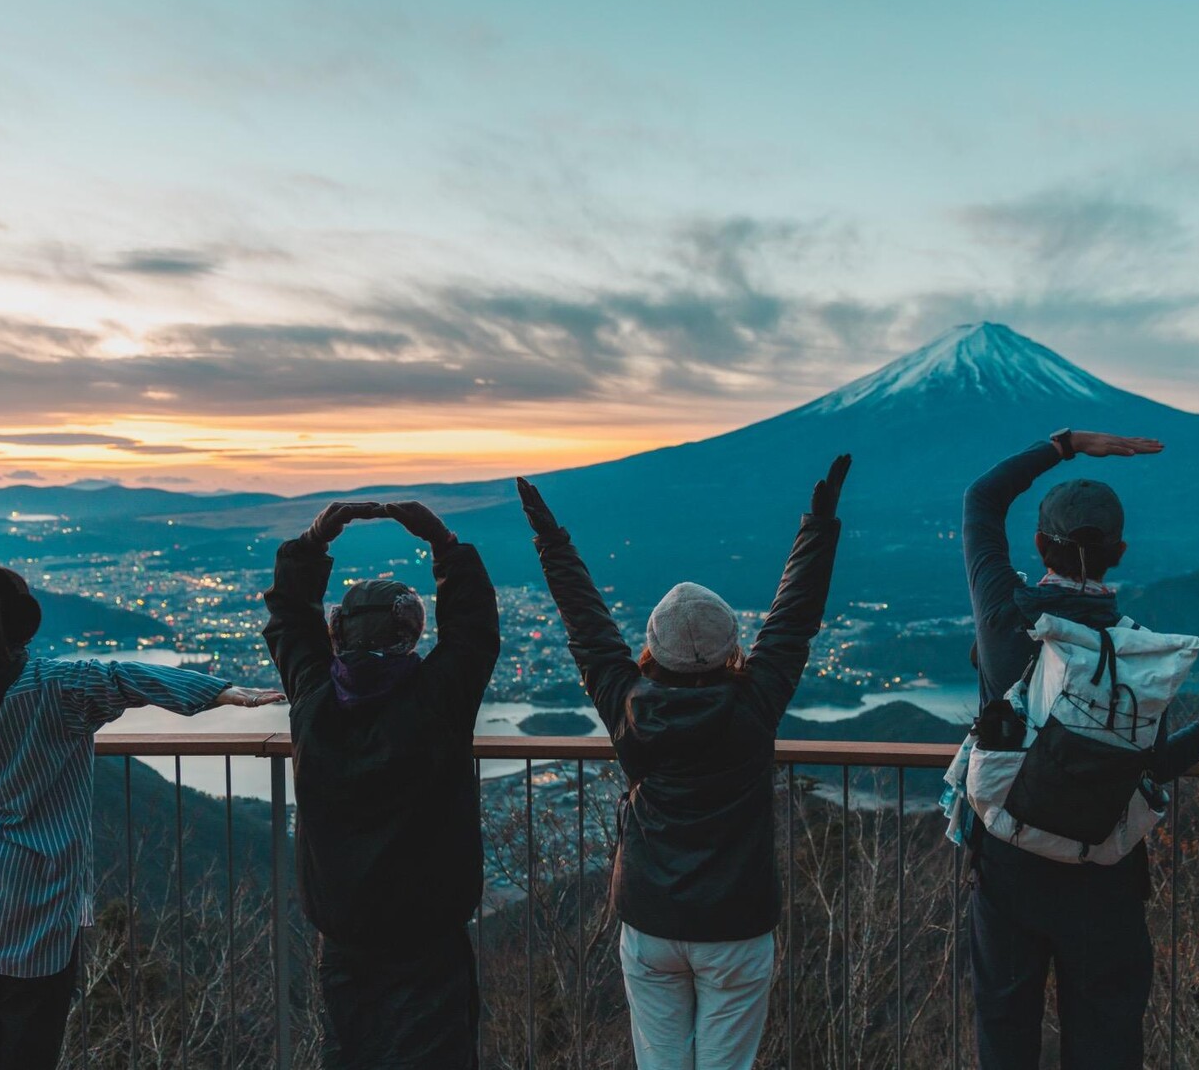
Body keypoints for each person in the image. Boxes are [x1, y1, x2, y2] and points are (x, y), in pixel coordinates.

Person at [0, 430, 283, 1070]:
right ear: (19, 624)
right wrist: (220, 692)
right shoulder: (53, 689)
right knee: (30, 1052)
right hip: (36, 926)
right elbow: (127, 676)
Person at [960, 428, 1199, 1070]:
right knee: (1106, 1037)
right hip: (1105, 873)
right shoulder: (1138, 655)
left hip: (1010, 867)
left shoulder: (1006, 619)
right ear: (1120, 553)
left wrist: (1066, 444)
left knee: (1005, 1030)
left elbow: (981, 501)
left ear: (1041, 544)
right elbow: (1153, 767)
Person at [516, 456, 850, 1070]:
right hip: (737, 921)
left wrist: (551, 540)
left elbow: (587, 626)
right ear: (731, 650)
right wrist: (818, 526)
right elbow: (794, 619)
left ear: (652, 648)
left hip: (650, 916)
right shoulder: (754, 705)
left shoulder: (629, 705)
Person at [262, 497, 499, 1069]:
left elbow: (289, 622)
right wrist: (444, 544)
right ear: (410, 632)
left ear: (337, 634)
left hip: (344, 936)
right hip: (429, 937)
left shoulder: (314, 702)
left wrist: (311, 545)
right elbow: (473, 632)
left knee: (349, 1052)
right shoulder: (437, 700)